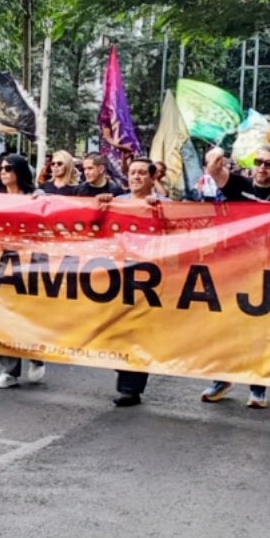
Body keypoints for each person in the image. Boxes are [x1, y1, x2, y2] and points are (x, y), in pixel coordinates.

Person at [195, 144, 270, 409]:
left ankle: (257, 387)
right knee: (225, 327)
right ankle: (222, 379)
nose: (262, 168)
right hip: (232, 267)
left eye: (269, 164)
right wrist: (223, 146)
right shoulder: (237, 184)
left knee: (258, 331)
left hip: (266, 271)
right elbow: (212, 166)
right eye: (258, 161)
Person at [100, 158, 167, 407]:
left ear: (152, 178)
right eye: (132, 172)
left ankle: (130, 388)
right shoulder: (117, 202)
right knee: (115, 330)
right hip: (116, 275)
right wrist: (101, 202)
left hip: (147, 278)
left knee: (136, 332)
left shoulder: (163, 204)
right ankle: (125, 372)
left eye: (141, 173)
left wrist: (160, 210)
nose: (136, 177)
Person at [0, 154, 48, 389]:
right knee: (3, 316)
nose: (3, 172)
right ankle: (9, 371)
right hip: (3, 263)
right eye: (1, 168)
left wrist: (41, 204)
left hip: (32, 264)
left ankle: (36, 355)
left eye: (8, 168)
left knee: (28, 314)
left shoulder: (37, 196)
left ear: (20, 172)